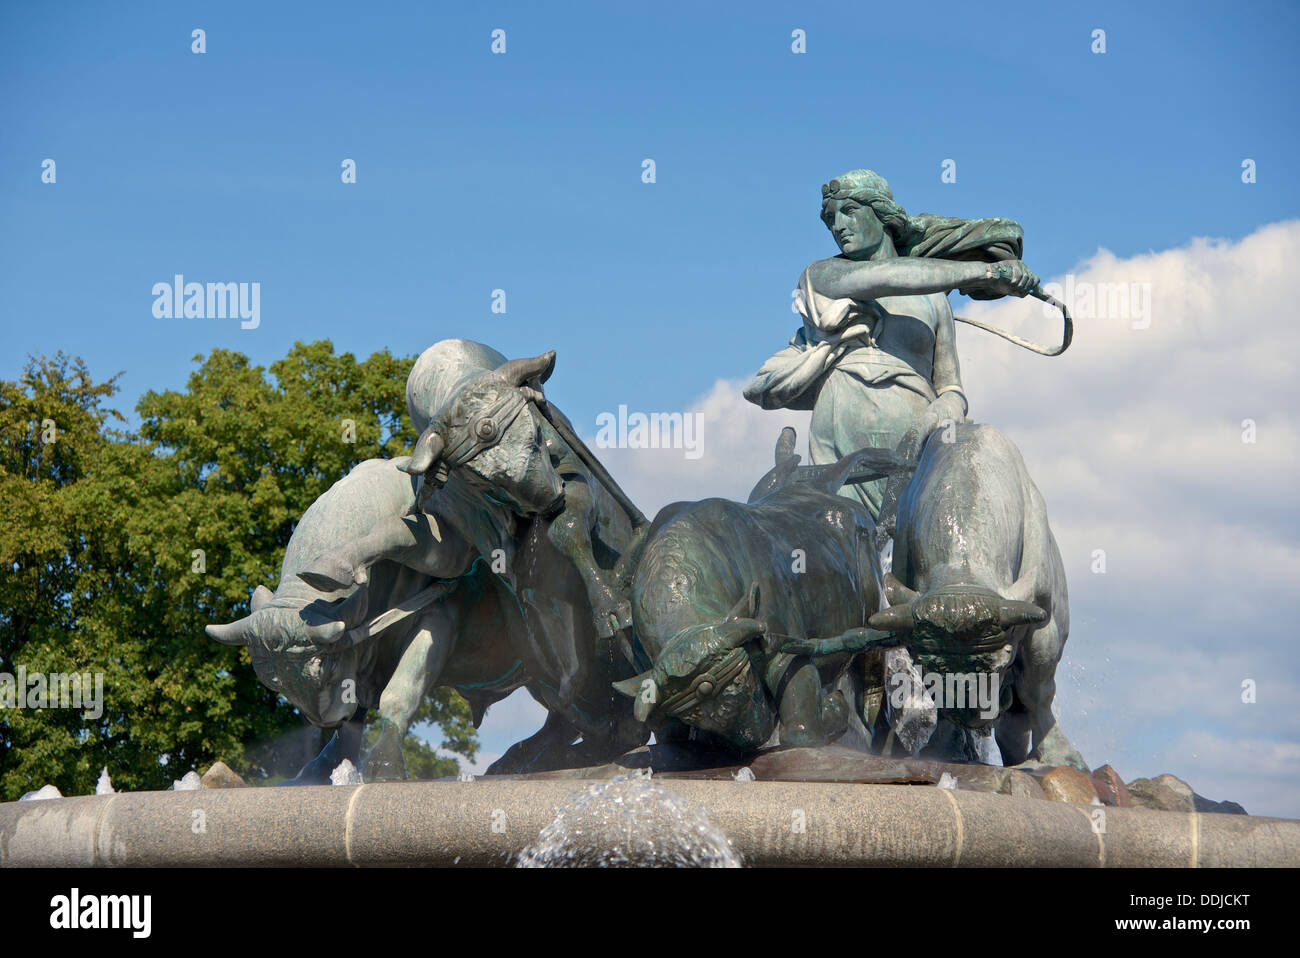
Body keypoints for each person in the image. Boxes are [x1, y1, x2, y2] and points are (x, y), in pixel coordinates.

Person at [744, 169, 1040, 520]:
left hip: (917, 452)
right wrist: (987, 272)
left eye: (849, 211)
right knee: (842, 548)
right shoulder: (823, 275)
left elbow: (952, 389)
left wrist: (933, 419)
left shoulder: (934, 301)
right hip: (841, 452)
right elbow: (890, 276)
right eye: (829, 219)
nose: (838, 226)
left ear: (882, 215)